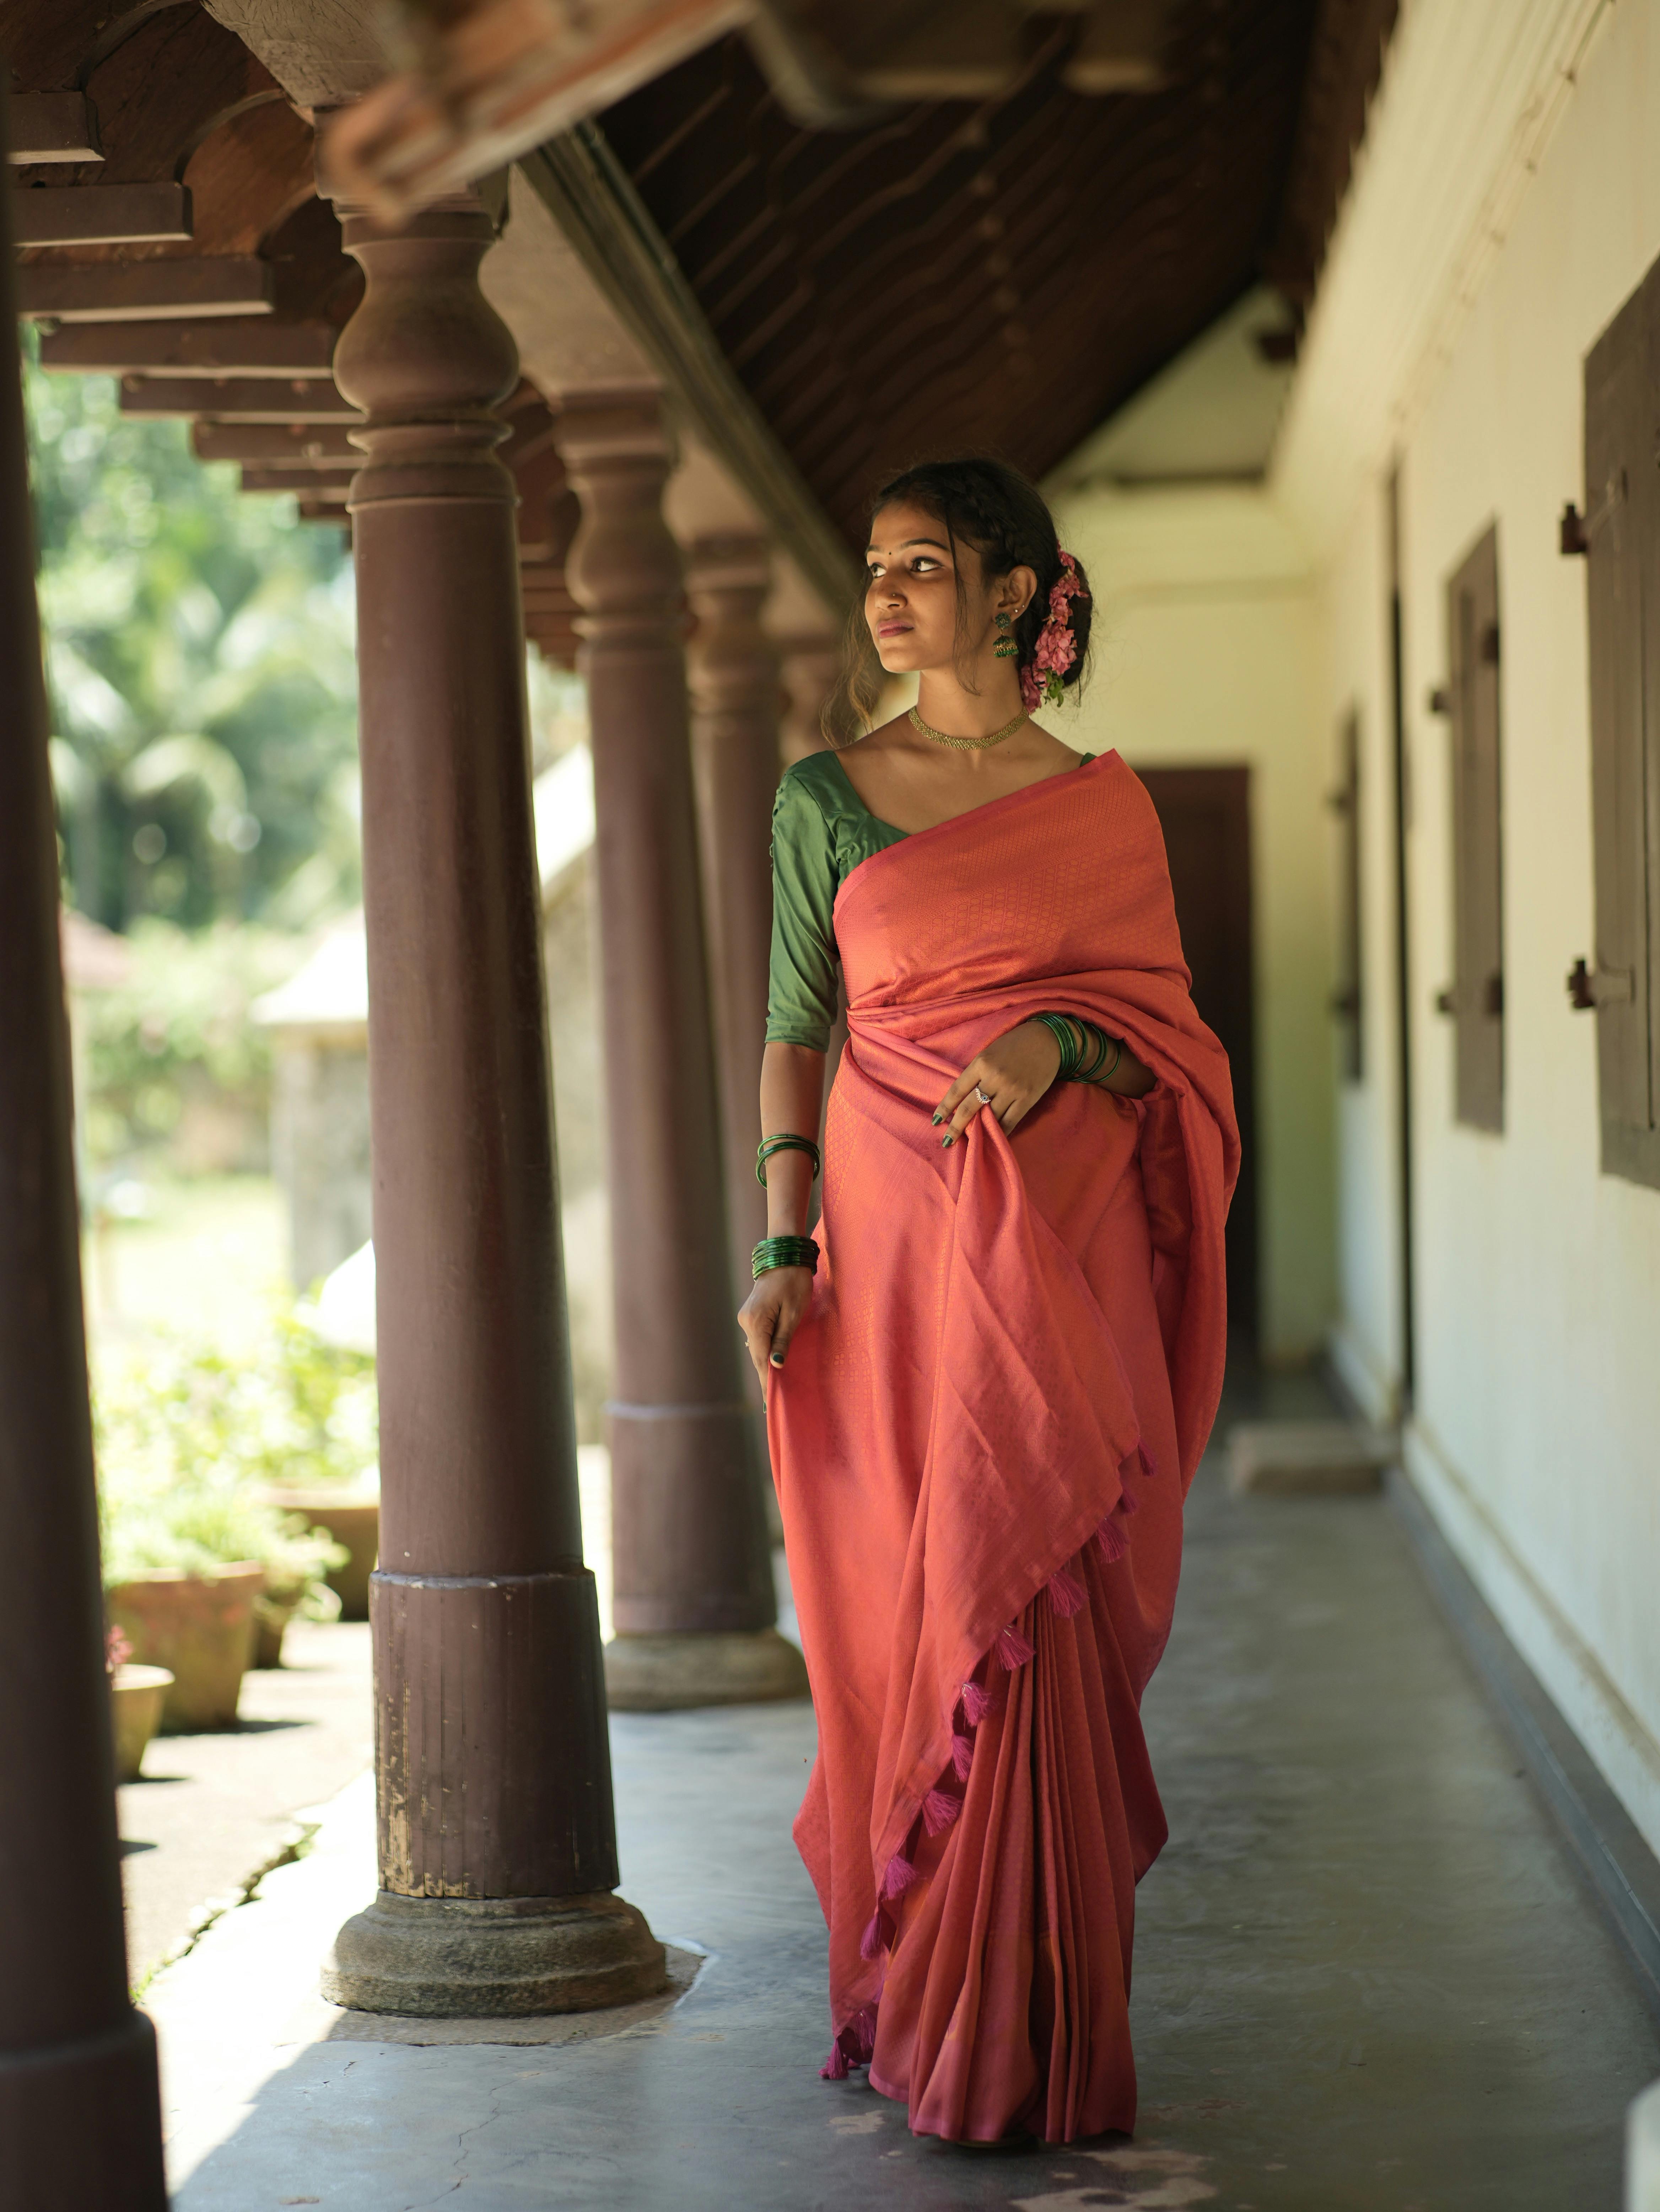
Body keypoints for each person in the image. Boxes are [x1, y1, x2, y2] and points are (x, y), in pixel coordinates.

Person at [739, 457, 1237, 2146]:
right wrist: (780, 1246)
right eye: (873, 565)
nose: (883, 594)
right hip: (882, 1263)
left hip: (1054, 1250)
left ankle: (1034, 2024)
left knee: (1041, 1598)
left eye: (923, 563)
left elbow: (1172, 1045)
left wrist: (1055, 1043)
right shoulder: (826, 795)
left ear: (1018, 591)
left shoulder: (1101, 806)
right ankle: (926, 1996)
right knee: (906, 1616)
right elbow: (794, 1026)